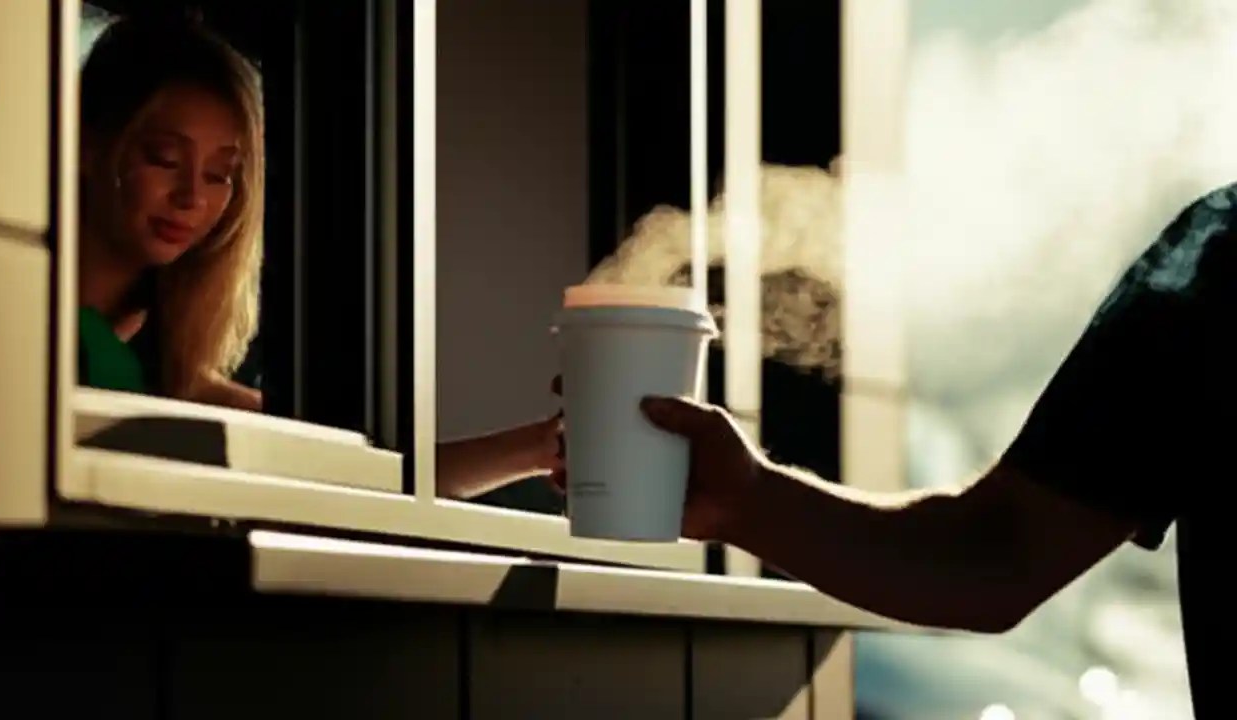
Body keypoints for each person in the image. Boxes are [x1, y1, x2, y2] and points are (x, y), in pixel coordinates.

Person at [556, 184, 1231, 717]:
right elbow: (997, 557)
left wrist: (745, 502)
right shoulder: (1217, 259)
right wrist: (744, 500)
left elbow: (996, 559)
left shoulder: (1216, 252)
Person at [77, 15, 559, 499]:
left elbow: (382, 478)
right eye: (164, 158)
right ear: (88, 146)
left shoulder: (169, 369)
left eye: (220, 174)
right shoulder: (49, 334)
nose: (191, 198)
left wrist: (538, 446)